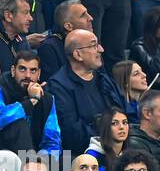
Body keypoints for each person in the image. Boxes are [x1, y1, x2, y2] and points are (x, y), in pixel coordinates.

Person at [49, 28, 126, 157]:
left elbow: (125, 112)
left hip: (117, 149)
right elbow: (72, 133)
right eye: (94, 45)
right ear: (78, 55)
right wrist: (110, 134)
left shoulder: (104, 79)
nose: (101, 49)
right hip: (83, 156)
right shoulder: (59, 86)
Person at [0, 49, 61, 155]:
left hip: (35, 159)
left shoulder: (47, 99)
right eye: (22, 69)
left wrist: (43, 161)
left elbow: (52, 140)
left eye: (33, 70)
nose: (28, 75)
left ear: (39, 74)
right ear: (13, 70)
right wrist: (31, 102)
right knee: (18, 123)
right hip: (1, 153)